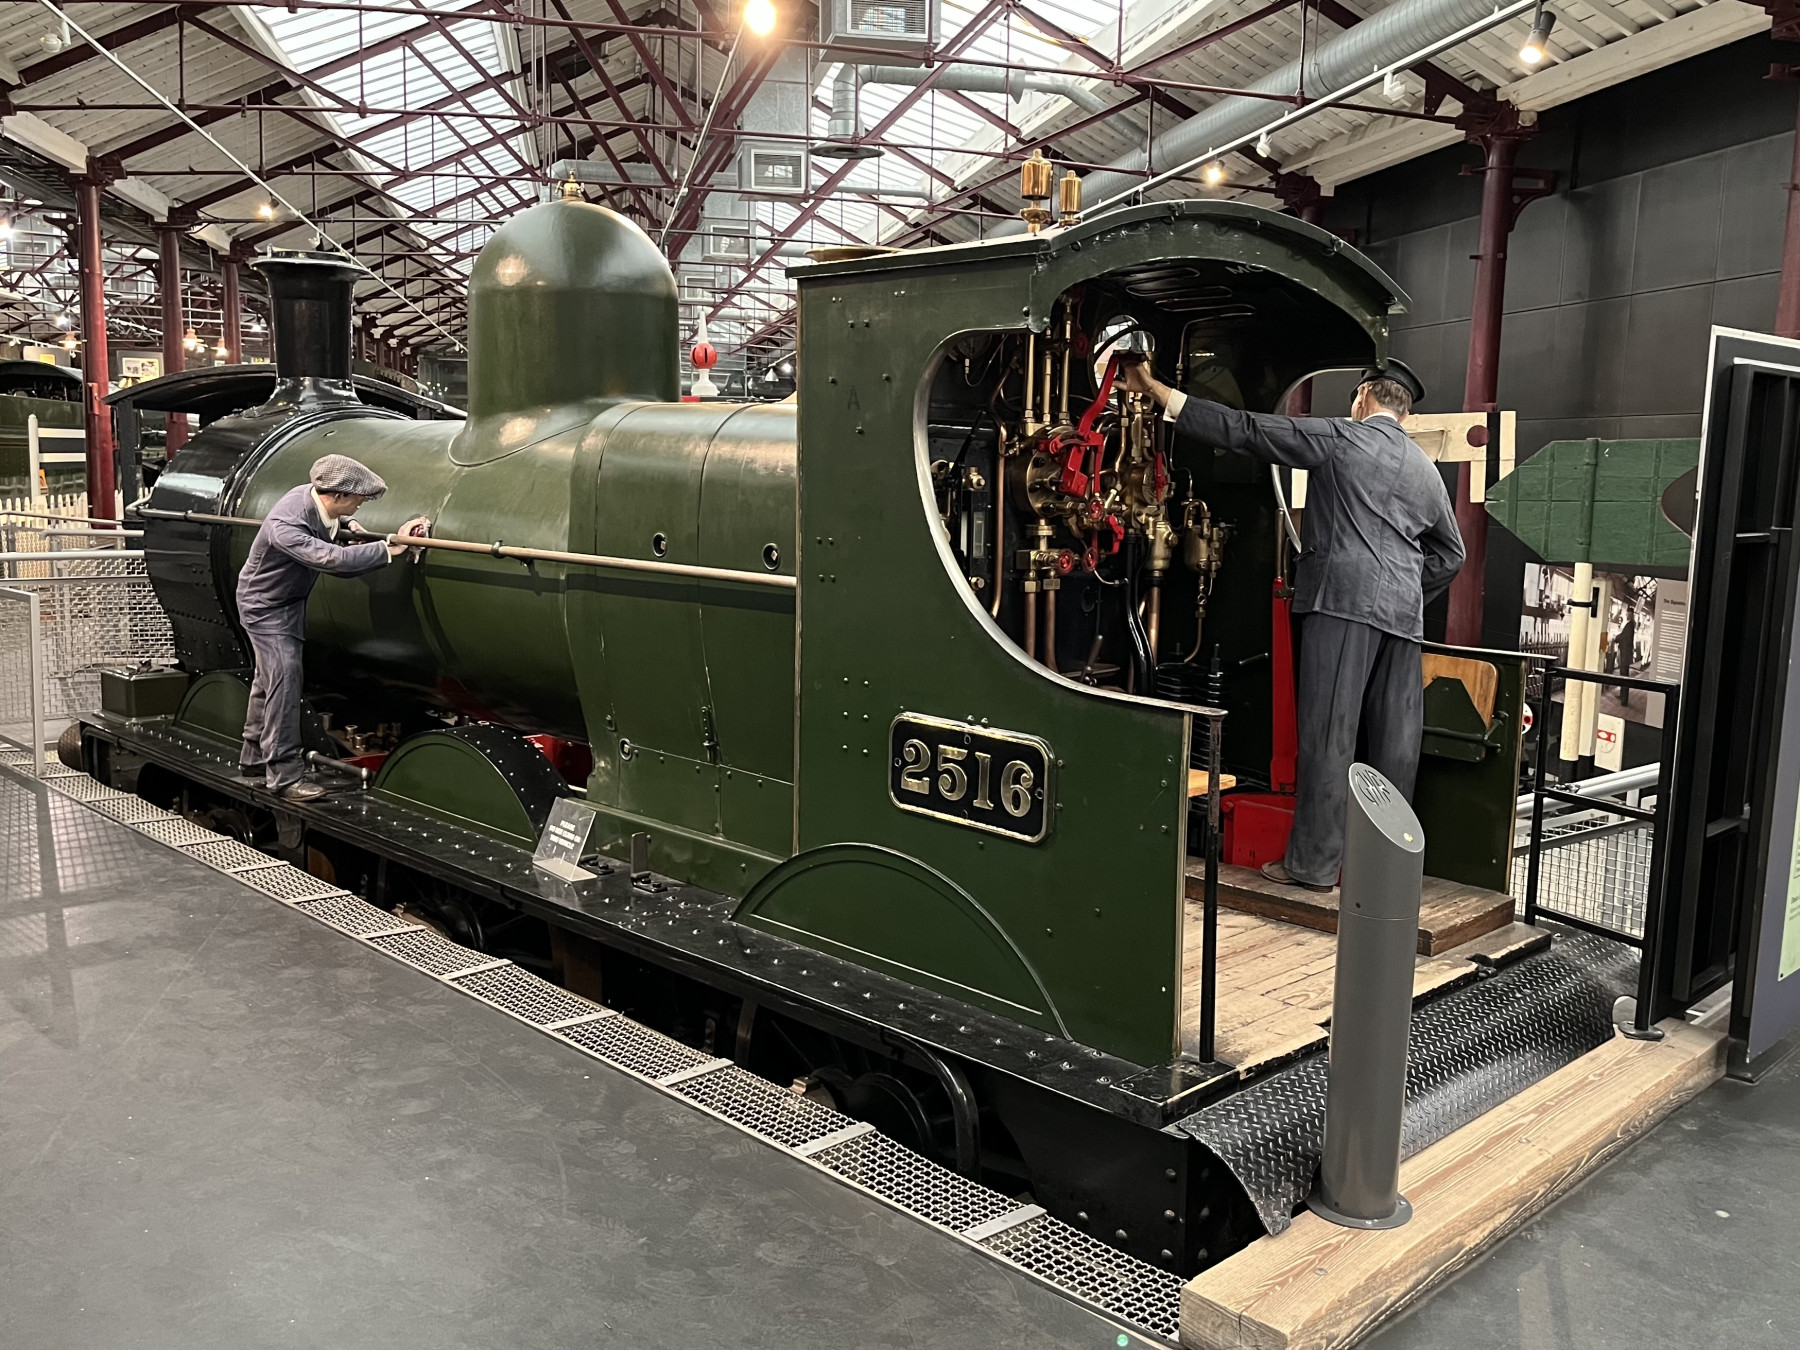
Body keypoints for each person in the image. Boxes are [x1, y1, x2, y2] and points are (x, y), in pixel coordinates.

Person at [1120, 357, 1464, 892]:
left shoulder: (1344, 438)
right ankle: (1386, 869)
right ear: (1405, 409)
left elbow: (1251, 430)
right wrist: (1404, 589)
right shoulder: (1425, 471)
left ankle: (1313, 867)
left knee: (1330, 735)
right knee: (1397, 742)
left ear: (1364, 398)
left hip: (1342, 604)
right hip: (1405, 618)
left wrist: (1163, 394)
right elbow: (1452, 554)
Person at [235, 454, 429, 801]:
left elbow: (326, 532)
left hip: (287, 602)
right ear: (338, 495)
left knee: (268, 682)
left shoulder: (311, 498)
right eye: (358, 499)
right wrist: (390, 548)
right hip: (265, 608)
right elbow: (331, 560)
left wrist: (348, 531)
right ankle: (283, 776)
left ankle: (252, 760)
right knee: (285, 679)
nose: (361, 504)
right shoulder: (287, 522)